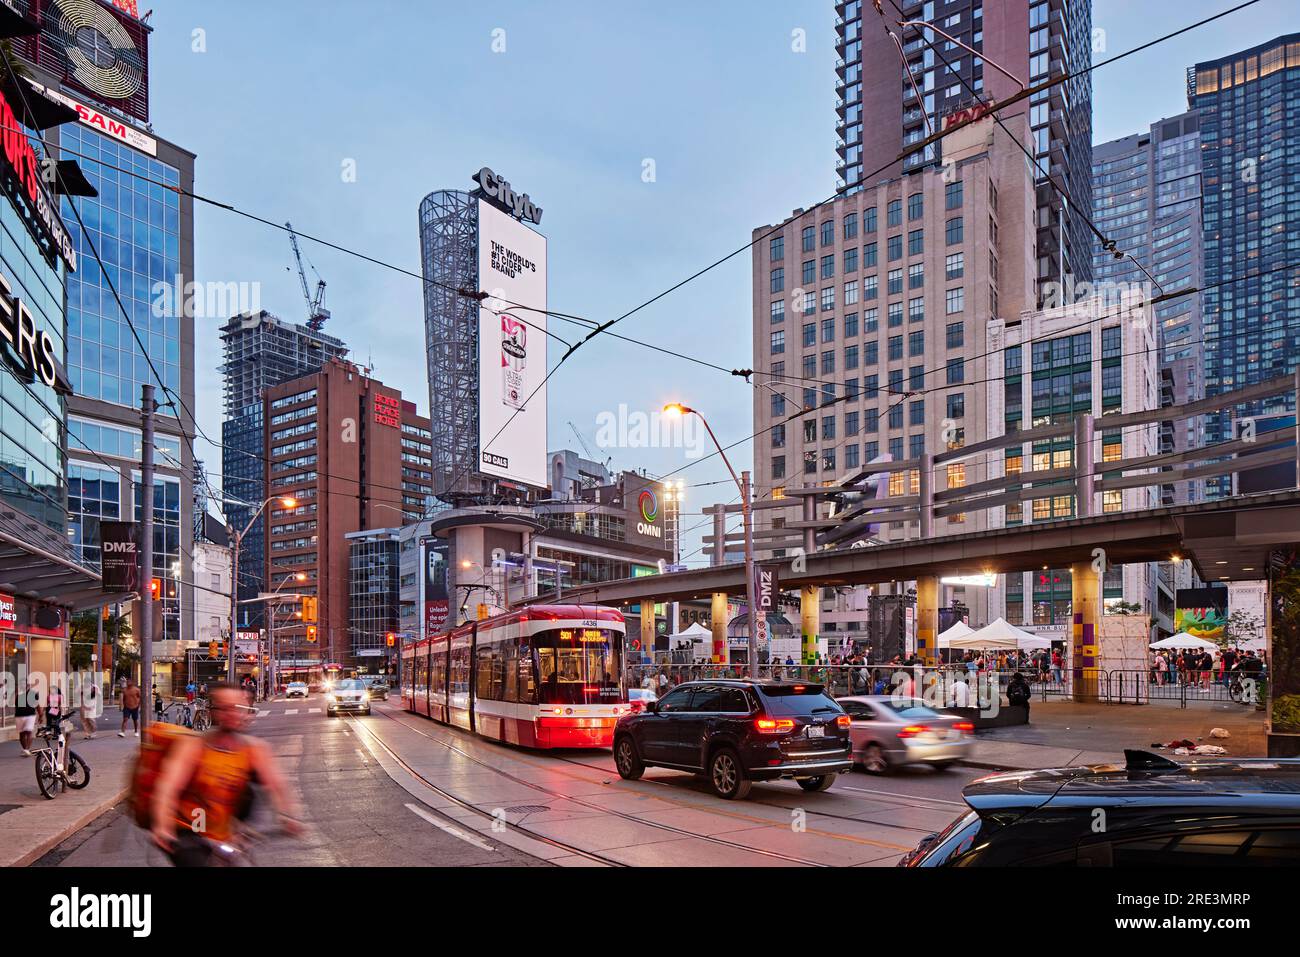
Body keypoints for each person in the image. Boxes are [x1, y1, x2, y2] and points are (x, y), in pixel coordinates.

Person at [150, 684, 303, 867]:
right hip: (189, 831)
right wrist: (162, 826)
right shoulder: (193, 747)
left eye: (238, 707)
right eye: (225, 708)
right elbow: (168, 787)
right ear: (214, 712)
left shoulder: (255, 750)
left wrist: (288, 816)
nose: (232, 713)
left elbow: (277, 785)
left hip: (226, 832)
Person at [15, 677, 38, 756]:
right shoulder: (18, 693)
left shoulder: (32, 693)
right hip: (19, 715)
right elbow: (14, 702)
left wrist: (41, 714)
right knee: (22, 734)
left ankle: (27, 749)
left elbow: (37, 705)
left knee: (28, 731)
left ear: (27, 685)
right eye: (21, 684)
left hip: (30, 715)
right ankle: (25, 749)